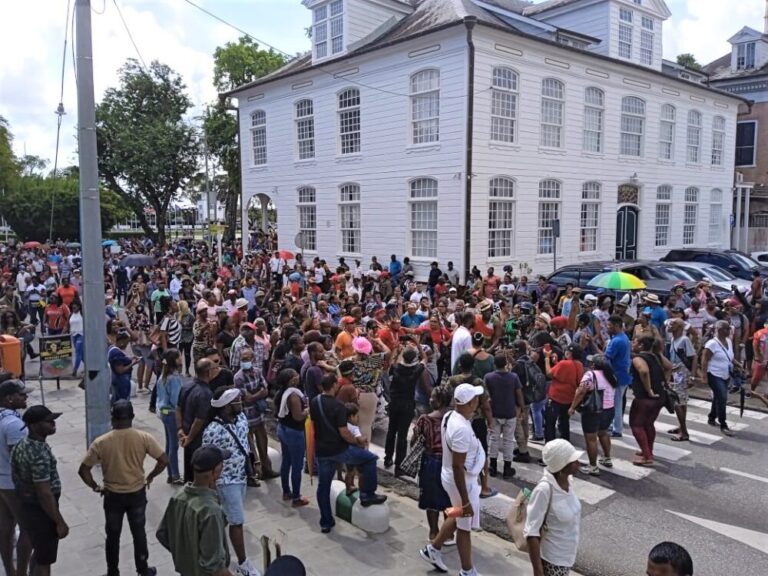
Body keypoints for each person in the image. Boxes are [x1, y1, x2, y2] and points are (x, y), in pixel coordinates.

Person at [78, 400, 168, 576]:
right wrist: (150, 476)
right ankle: (143, 569)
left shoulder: (101, 442)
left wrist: (96, 487)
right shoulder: (144, 438)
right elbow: (164, 460)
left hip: (113, 496)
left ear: (112, 418)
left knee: (112, 536)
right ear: (132, 417)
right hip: (137, 494)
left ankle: (113, 572)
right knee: (139, 533)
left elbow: (83, 470)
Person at [420, 384, 486, 576]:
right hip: (461, 482)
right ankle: (467, 570)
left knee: (456, 516)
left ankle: (433, 548)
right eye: (475, 398)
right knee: (464, 528)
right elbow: (458, 466)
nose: (478, 401)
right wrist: (465, 501)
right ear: (470, 403)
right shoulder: (461, 429)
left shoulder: (451, 416)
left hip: (454, 477)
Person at [310, 373, 387, 534]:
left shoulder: (315, 402)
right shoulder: (338, 406)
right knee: (370, 459)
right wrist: (357, 441)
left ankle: (326, 522)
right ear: (333, 386)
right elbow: (344, 432)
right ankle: (367, 494)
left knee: (323, 487)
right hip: (338, 449)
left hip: (322, 450)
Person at [202, 388, 261, 576]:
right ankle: (243, 564)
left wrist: (256, 460)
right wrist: (210, 489)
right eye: (237, 401)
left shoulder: (241, 418)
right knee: (237, 522)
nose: (241, 402)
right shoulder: (212, 431)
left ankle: (211, 549)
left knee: (226, 519)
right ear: (227, 406)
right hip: (226, 482)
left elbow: (246, 438)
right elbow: (207, 462)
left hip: (242, 476)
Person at [156, 445, 236, 576]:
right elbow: (215, 567)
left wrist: (186, 557)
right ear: (214, 471)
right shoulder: (210, 511)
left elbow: (163, 534)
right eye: (221, 464)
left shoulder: (178, 496)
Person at [10, 405, 68, 576]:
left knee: (38, 553)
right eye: (48, 421)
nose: (53, 423)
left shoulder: (21, 445)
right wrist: (59, 521)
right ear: (34, 426)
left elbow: (16, 476)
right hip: (42, 511)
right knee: (45, 560)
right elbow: (44, 492)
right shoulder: (38, 452)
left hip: (28, 506)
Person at [524, 439, 582, 576]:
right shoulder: (544, 490)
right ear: (562, 466)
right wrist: (538, 571)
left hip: (567, 557)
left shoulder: (568, 481)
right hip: (552, 561)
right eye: (573, 461)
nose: (578, 463)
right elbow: (531, 532)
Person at [412, 385, 453, 542]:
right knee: (449, 499)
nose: (430, 400)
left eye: (432, 398)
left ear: (439, 401)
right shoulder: (453, 419)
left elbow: (415, 442)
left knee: (431, 499)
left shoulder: (425, 419)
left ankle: (434, 532)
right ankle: (448, 532)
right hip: (450, 462)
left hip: (431, 462)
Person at [0, 378, 32, 576]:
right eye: (22, 394)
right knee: (27, 528)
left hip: (1, 481)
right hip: (12, 484)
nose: (26, 396)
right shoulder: (13, 424)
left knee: (5, 529)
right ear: (10, 398)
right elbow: (19, 460)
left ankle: (10, 571)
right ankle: (21, 572)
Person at [568, 355, 616, 475]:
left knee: (591, 439)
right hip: (609, 409)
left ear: (593, 365)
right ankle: (607, 458)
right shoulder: (611, 375)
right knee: (603, 433)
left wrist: (572, 407)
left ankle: (593, 466)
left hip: (594, 410)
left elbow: (581, 391)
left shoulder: (590, 375)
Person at [384, 346, 424, 475]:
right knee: (402, 435)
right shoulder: (416, 370)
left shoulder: (395, 368)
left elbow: (391, 362)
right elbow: (425, 358)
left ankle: (387, 458)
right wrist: (417, 343)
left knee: (391, 431)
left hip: (394, 403)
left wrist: (397, 350)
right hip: (407, 405)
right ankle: (398, 465)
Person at [484, 353, 524, 480]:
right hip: (509, 412)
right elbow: (519, 394)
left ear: (494, 364)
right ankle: (507, 468)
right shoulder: (513, 377)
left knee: (494, 439)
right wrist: (522, 408)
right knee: (508, 440)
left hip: (495, 412)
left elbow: (486, 396)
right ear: (506, 363)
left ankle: (493, 466)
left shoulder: (488, 377)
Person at [630, 337, 669, 466]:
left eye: (634, 342)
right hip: (660, 397)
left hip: (644, 398)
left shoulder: (638, 358)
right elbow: (669, 366)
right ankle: (648, 450)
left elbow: (644, 371)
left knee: (637, 425)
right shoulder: (656, 356)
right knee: (648, 424)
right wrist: (665, 382)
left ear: (641, 346)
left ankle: (647, 456)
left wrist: (649, 389)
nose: (632, 344)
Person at [275, 369, 309, 507]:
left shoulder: (280, 393)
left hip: (282, 428)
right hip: (294, 432)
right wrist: (307, 410)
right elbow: (298, 416)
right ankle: (296, 497)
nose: (298, 377)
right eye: (296, 376)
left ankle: (286, 491)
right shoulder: (293, 396)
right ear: (292, 380)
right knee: (297, 465)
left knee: (286, 461)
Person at [178, 359, 215, 482]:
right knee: (198, 472)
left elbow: (177, 408)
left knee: (188, 468)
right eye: (214, 368)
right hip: (197, 438)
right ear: (208, 372)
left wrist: (180, 430)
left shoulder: (186, 386)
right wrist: (190, 438)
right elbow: (199, 420)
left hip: (186, 433)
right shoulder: (205, 393)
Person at [543, 344, 585, 443]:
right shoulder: (579, 365)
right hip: (569, 399)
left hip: (556, 398)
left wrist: (547, 358)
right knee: (564, 423)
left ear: (570, 353)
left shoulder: (564, 364)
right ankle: (565, 446)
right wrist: (556, 363)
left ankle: (550, 448)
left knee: (549, 424)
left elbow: (549, 373)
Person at [702, 320, 737, 436]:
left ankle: (712, 417)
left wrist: (738, 364)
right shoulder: (712, 344)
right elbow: (705, 360)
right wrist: (704, 376)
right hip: (714, 374)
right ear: (720, 330)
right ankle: (723, 424)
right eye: (727, 328)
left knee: (718, 396)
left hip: (726, 374)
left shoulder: (728, 341)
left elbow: (730, 356)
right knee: (722, 398)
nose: (729, 330)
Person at [156, 349, 184, 484]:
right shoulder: (174, 378)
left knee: (169, 444)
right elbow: (176, 399)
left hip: (164, 412)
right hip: (172, 413)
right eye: (179, 357)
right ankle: (175, 475)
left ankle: (170, 473)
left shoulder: (162, 377)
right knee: (174, 445)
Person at [667, 319, 697, 442]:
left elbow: (694, 357)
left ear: (679, 327)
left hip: (682, 371)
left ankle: (684, 432)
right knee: (682, 400)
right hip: (676, 371)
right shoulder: (674, 339)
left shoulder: (685, 340)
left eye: (673, 324)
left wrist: (692, 376)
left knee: (677, 401)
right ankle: (681, 426)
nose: (669, 325)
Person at [605, 315, 632, 438]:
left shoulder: (617, 340)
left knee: (616, 404)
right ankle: (613, 425)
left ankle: (617, 429)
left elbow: (606, 357)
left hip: (617, 376)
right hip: (622, 375)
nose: (607, 327)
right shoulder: (623, 337)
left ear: (616, 326)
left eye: (609, 325)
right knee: (615, 402)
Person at [109, 329, 140, 402]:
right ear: (121, 342)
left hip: (119, 380)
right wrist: (133, 363)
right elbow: (120, 370)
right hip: (121, 381)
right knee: (122, 401)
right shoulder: (116, 353)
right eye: (126, 342)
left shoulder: (113, 349)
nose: (126, 345)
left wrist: (130, 358)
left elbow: (121, 360)